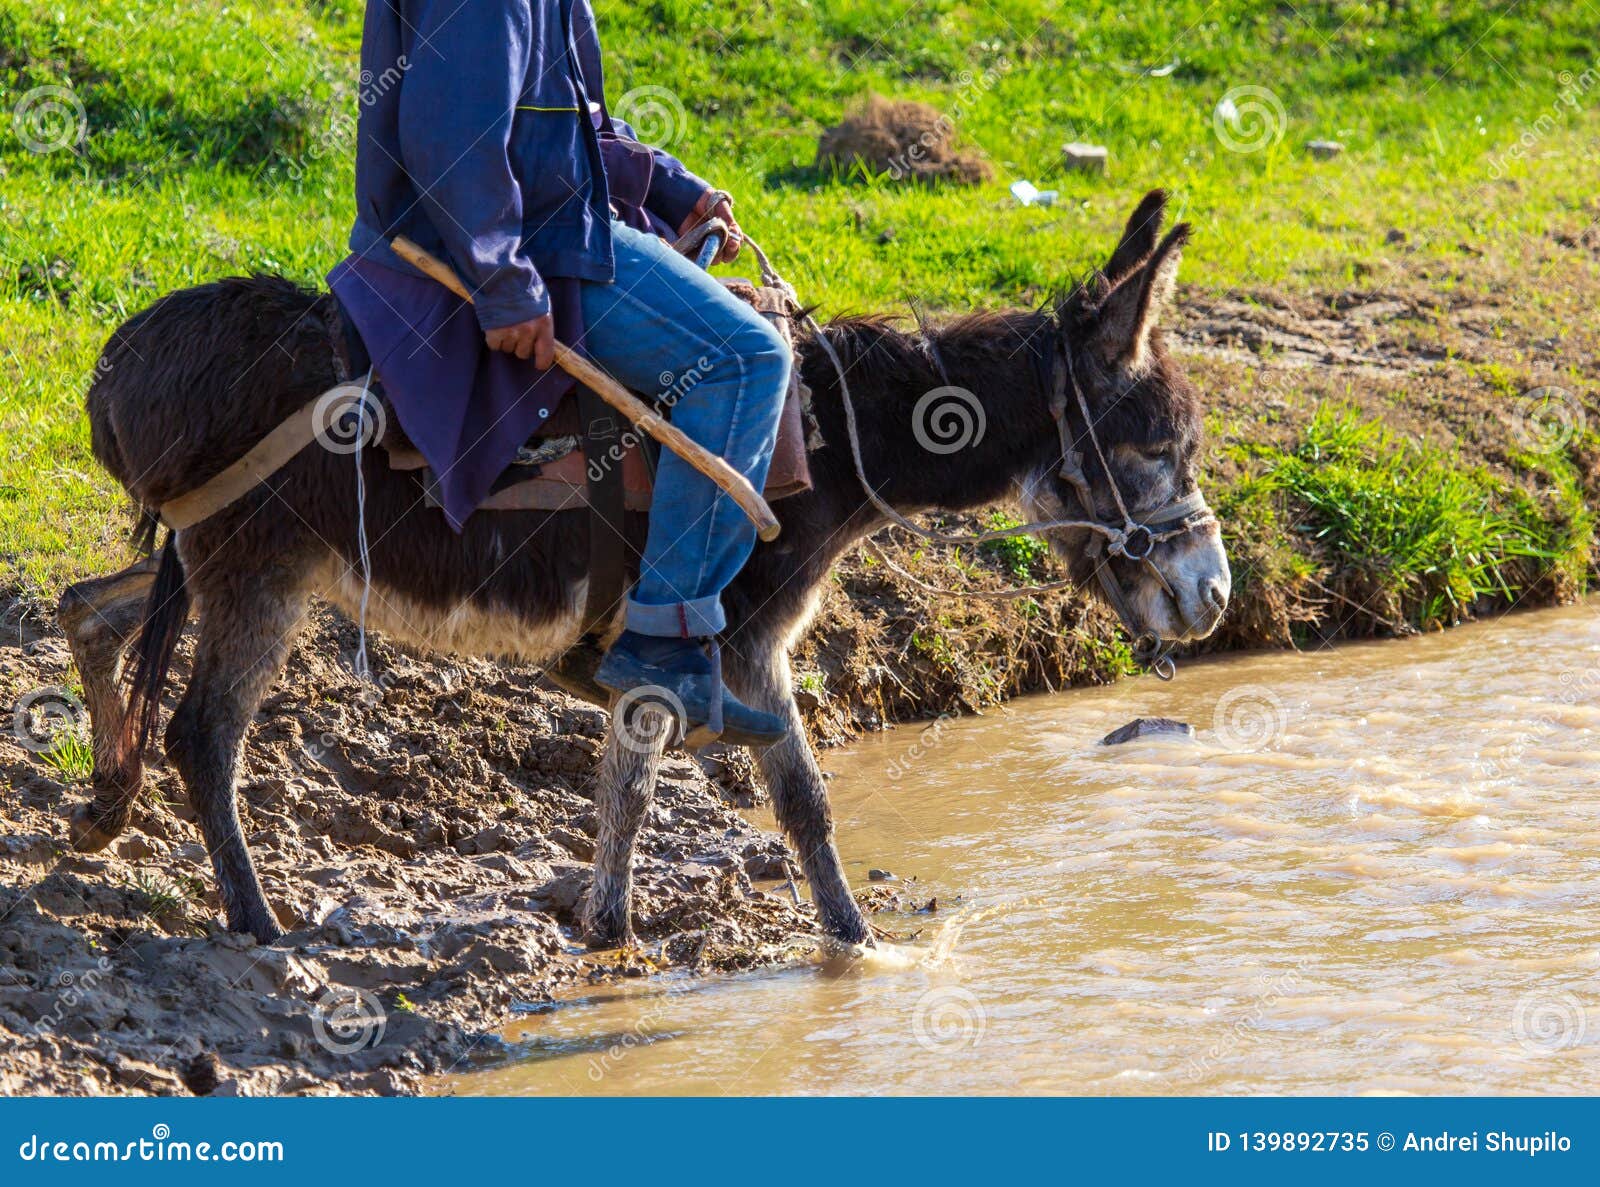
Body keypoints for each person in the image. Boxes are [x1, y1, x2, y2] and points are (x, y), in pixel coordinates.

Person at [329, 0, 791, 745]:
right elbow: (454, 143)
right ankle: (664, 646)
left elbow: (573, 131)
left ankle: (602, 622)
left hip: (550, 228)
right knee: (747, 359)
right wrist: (506, 285)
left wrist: (675, 189)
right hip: (527, 248)